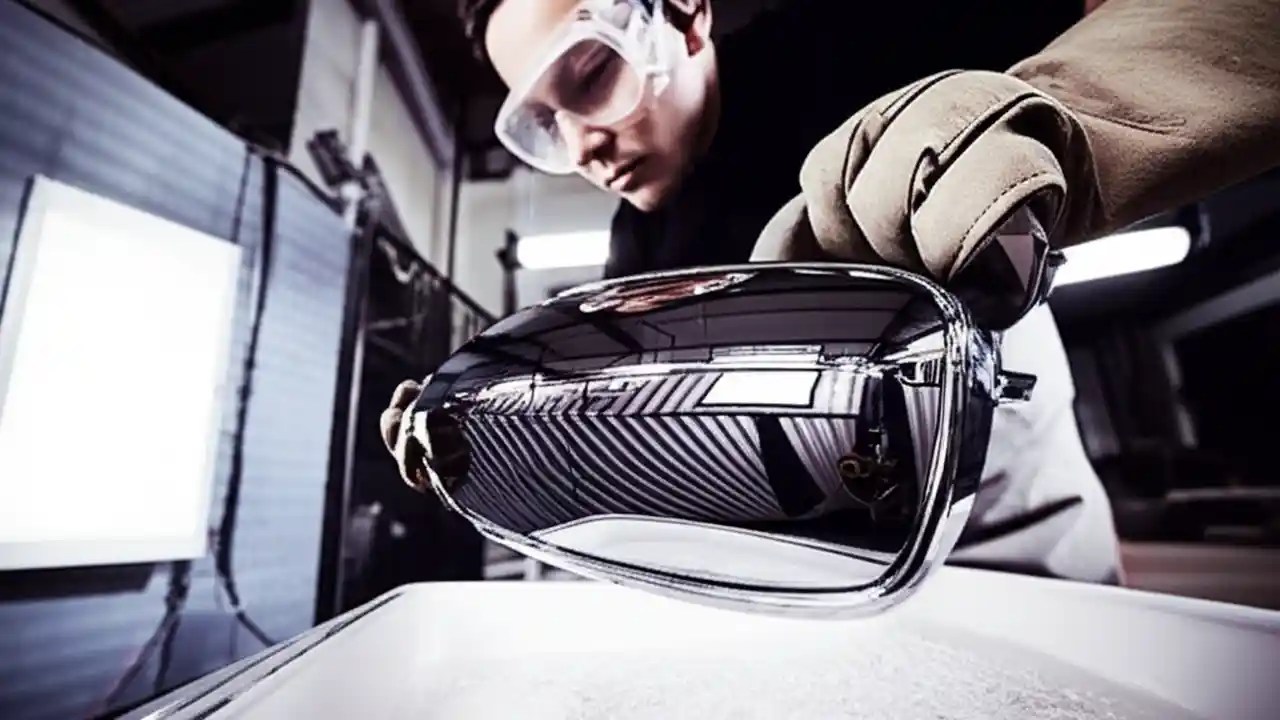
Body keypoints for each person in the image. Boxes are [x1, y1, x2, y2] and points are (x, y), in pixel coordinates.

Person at [382, 0, 1280, 585]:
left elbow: (1130, 28)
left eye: (588, 75)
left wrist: (1062, 123)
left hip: (1003, 526)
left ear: (682, 17)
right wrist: (485, 427)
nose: (581, 144)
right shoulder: (638, 246)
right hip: (818, 564)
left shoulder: (859, 44)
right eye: (543, 120)